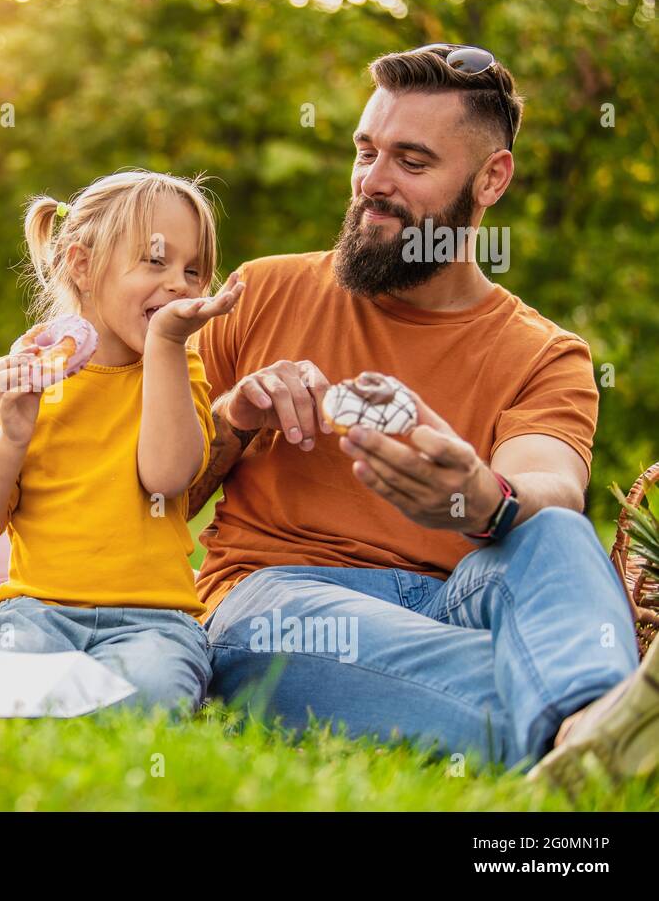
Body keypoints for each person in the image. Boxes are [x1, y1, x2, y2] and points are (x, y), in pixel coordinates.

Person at [188, 44, 654, 786]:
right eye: (365, 151)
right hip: (275, 592)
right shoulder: (260, 292)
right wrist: (236, 416)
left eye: (411, 161)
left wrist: (481, 496)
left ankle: (591, 730)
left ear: (490, 178)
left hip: (457, 597)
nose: (373, 183)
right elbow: (156, 491)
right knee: (291, 621)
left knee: (556, 530)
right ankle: (596, 722)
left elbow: (552, 487)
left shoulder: (545, 353)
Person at [0, 170, 243, 712]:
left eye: (194, 270)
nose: (180, 282)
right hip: (37, 610)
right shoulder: (23, 376)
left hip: (155, 618)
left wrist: (167, 347)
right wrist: (13, 438)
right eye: (156, 261)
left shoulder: (182, 369)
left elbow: (167, 476)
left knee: (149, 693)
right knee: (2, 697)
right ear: (83, 265)